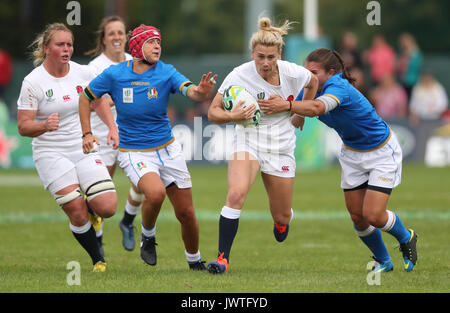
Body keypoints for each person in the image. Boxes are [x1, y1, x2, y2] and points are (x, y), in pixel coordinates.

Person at [259, 48, 418, 273]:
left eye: (314, 72)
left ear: (331, 72)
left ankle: (406, 237)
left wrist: (290, 106)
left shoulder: (339, 87)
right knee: (358, 217)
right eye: (306, 71)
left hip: (381, 151)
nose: (308, 76)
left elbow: (317, 108)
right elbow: (301, 104)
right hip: (352, 154)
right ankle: (384, 261)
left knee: (373, 214)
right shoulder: (311, 88)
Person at [79, 24, 217, 270]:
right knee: (155, 193)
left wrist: (202, 92)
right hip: (134, 152)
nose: (157, 47)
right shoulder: (115, 74)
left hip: (169, 150)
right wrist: (87, 132)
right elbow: (86, 97)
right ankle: (148, 235)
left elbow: (191, 91)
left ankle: (195, 262)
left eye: (159, 42)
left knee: (186, 213)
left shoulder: (166, 71)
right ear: (137, 46)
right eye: (151, 42)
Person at [206, 17, 318, 274]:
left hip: (280, 145)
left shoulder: (292, 72)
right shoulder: (238, 75)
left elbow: (313, 82)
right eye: (260, 57)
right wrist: (234, 116)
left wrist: (297, 111)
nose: (265, 63)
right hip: (248, 138)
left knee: (282, 216)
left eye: (270, 57)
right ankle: (222, 259)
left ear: (279, 54)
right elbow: (213, 113)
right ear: (252, 54)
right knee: (235, 195)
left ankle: (281, 222)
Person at [17, 23, 117, 272]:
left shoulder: (83, 73)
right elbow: (23, 126)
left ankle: (92, 208)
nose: (66, 49)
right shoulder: (33, 82)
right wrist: (43, 125)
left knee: (108, 207)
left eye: (69, 44)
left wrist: (112, 127)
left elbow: (99, 102)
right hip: (50, 152)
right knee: (76, 210)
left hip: (82, 145)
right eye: (60, 44)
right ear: (46, 48)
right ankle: (98, 259)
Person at [85, 15, 139, 253]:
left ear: (127, 37)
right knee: (101, 194)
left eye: (121, 32)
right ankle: (97, 239)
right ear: (104, 39)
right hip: (103, 136)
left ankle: (127, 222)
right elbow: (84, 102)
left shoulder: (135, 62)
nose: (117, 37)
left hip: (132, 134)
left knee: (145, 183)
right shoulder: (94, 68)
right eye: (112, 33)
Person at [397, 33, 422, 101]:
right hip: (402, 80)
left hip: (413, 81)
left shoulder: (415, 52)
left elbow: (416, 66)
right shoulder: (401, 53)